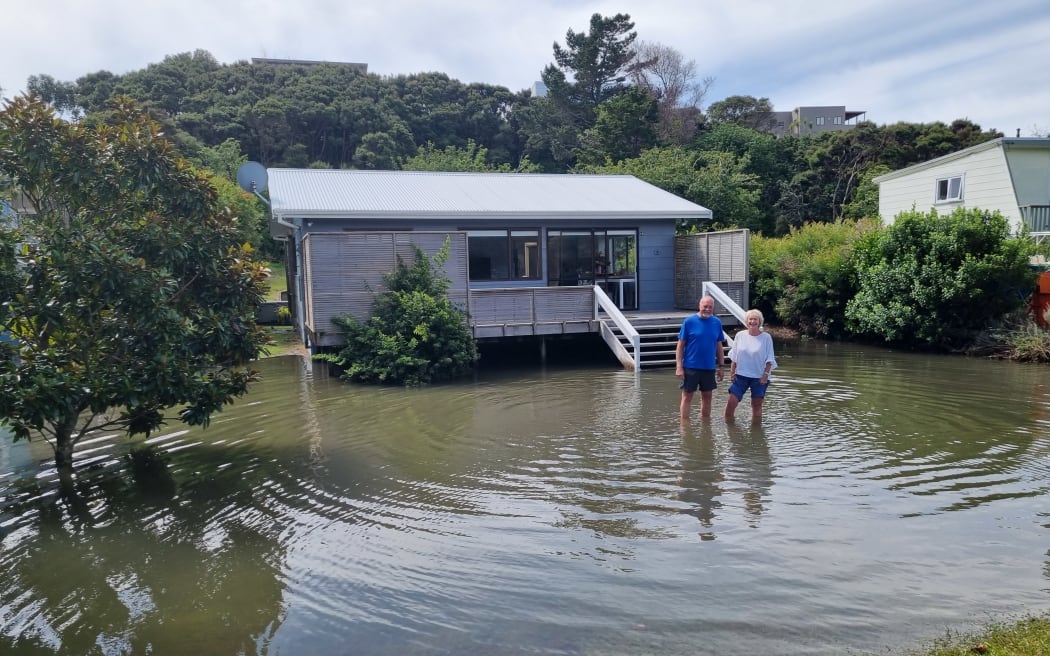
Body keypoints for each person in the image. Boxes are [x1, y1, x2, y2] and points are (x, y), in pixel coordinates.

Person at [676, 295, 725, 420]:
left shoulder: (717, 322)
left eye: (710, 307)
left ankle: (705, 425)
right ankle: (684, 425)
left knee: (707, 397)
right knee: (687, 397)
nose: (707, 309)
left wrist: (721, 366)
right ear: (699, 306)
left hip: (709, 367)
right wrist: (679, 367)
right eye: (705, 306)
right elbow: (680, 346)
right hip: (690, 366)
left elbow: (719, 346)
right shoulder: (689, 322)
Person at [724, 309, 777, 421]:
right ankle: (729, 426)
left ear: (759, 322)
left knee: (756, 405)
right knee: (731, 402)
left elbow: (770, 359)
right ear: (746, 321)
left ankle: (756, 429)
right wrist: (732, 372)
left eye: (755, 319)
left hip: (759, 377)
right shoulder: (740, 335)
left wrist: (765, 375)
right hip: (741, 375)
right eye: (750, 319)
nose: (752, 322)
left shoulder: (766, 338)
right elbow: (734, 356)